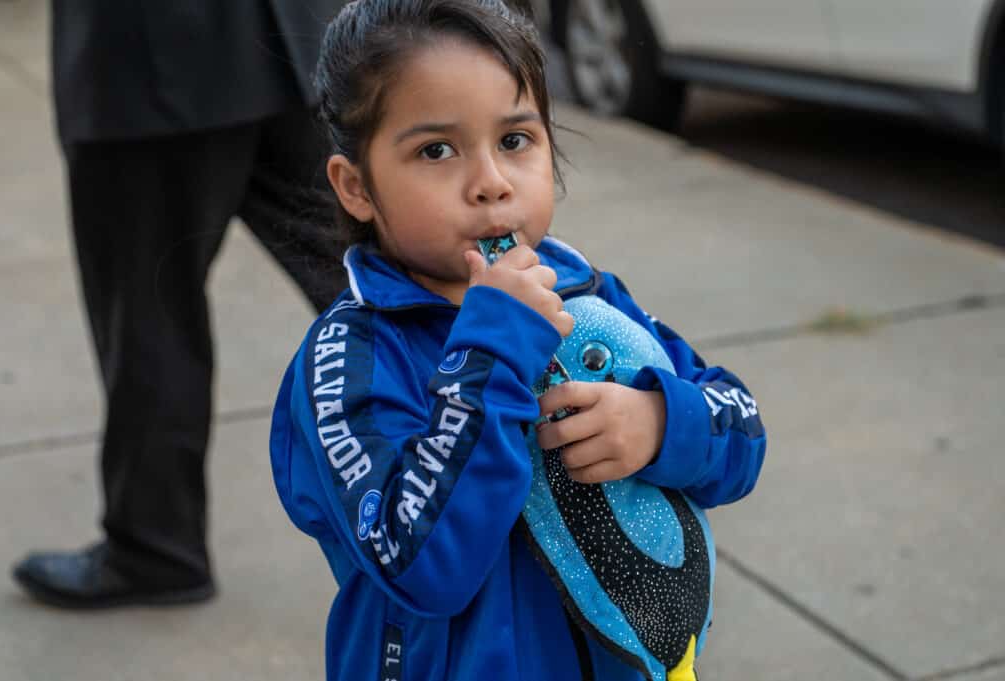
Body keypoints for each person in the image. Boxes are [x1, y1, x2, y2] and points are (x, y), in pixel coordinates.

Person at [269, 0, 767, 678]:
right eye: (436, 150)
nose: (491, 184)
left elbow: (742, 432)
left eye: (514, 140)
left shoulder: (587, 295)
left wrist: (659, 423)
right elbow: (421, 563)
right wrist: (492, 353)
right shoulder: (349, 357)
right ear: (356, 186)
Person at [12, 0, 347, 609]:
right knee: (375, 280)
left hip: (156, 60)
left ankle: (155, 545)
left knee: (150, 310)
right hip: (292, 40)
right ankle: (503, 482)